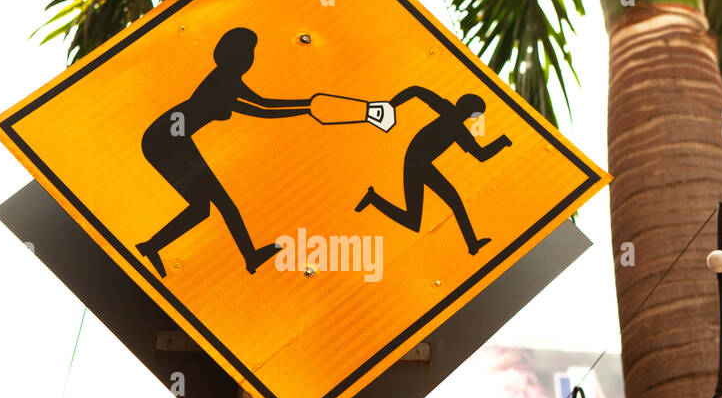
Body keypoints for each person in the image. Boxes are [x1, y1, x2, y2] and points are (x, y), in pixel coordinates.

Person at [137, 27, 313, 277]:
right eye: (246, 52)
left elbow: (264, 103)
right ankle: (249, 256)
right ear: (233, 55)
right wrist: (305, 107)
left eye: (251, 53)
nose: (250, 58)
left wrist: (306, 105)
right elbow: (264, 110)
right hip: (167, 138)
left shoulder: (229, 80)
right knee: (221, 205)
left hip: (173, 137)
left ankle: (151, 246)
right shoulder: (224, 81)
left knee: (203, 208)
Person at [355, 87, 511, 255]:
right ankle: (472, 243)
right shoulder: (449, 113)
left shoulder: (458, 127)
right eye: (475, 113)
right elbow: (416, 91)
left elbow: (480, 155)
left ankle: (373, 198)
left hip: (419, 162)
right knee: (452, 202)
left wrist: (501, 143)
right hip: (417, 162)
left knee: (414, 220)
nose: (473, 116)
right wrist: (390, 105)